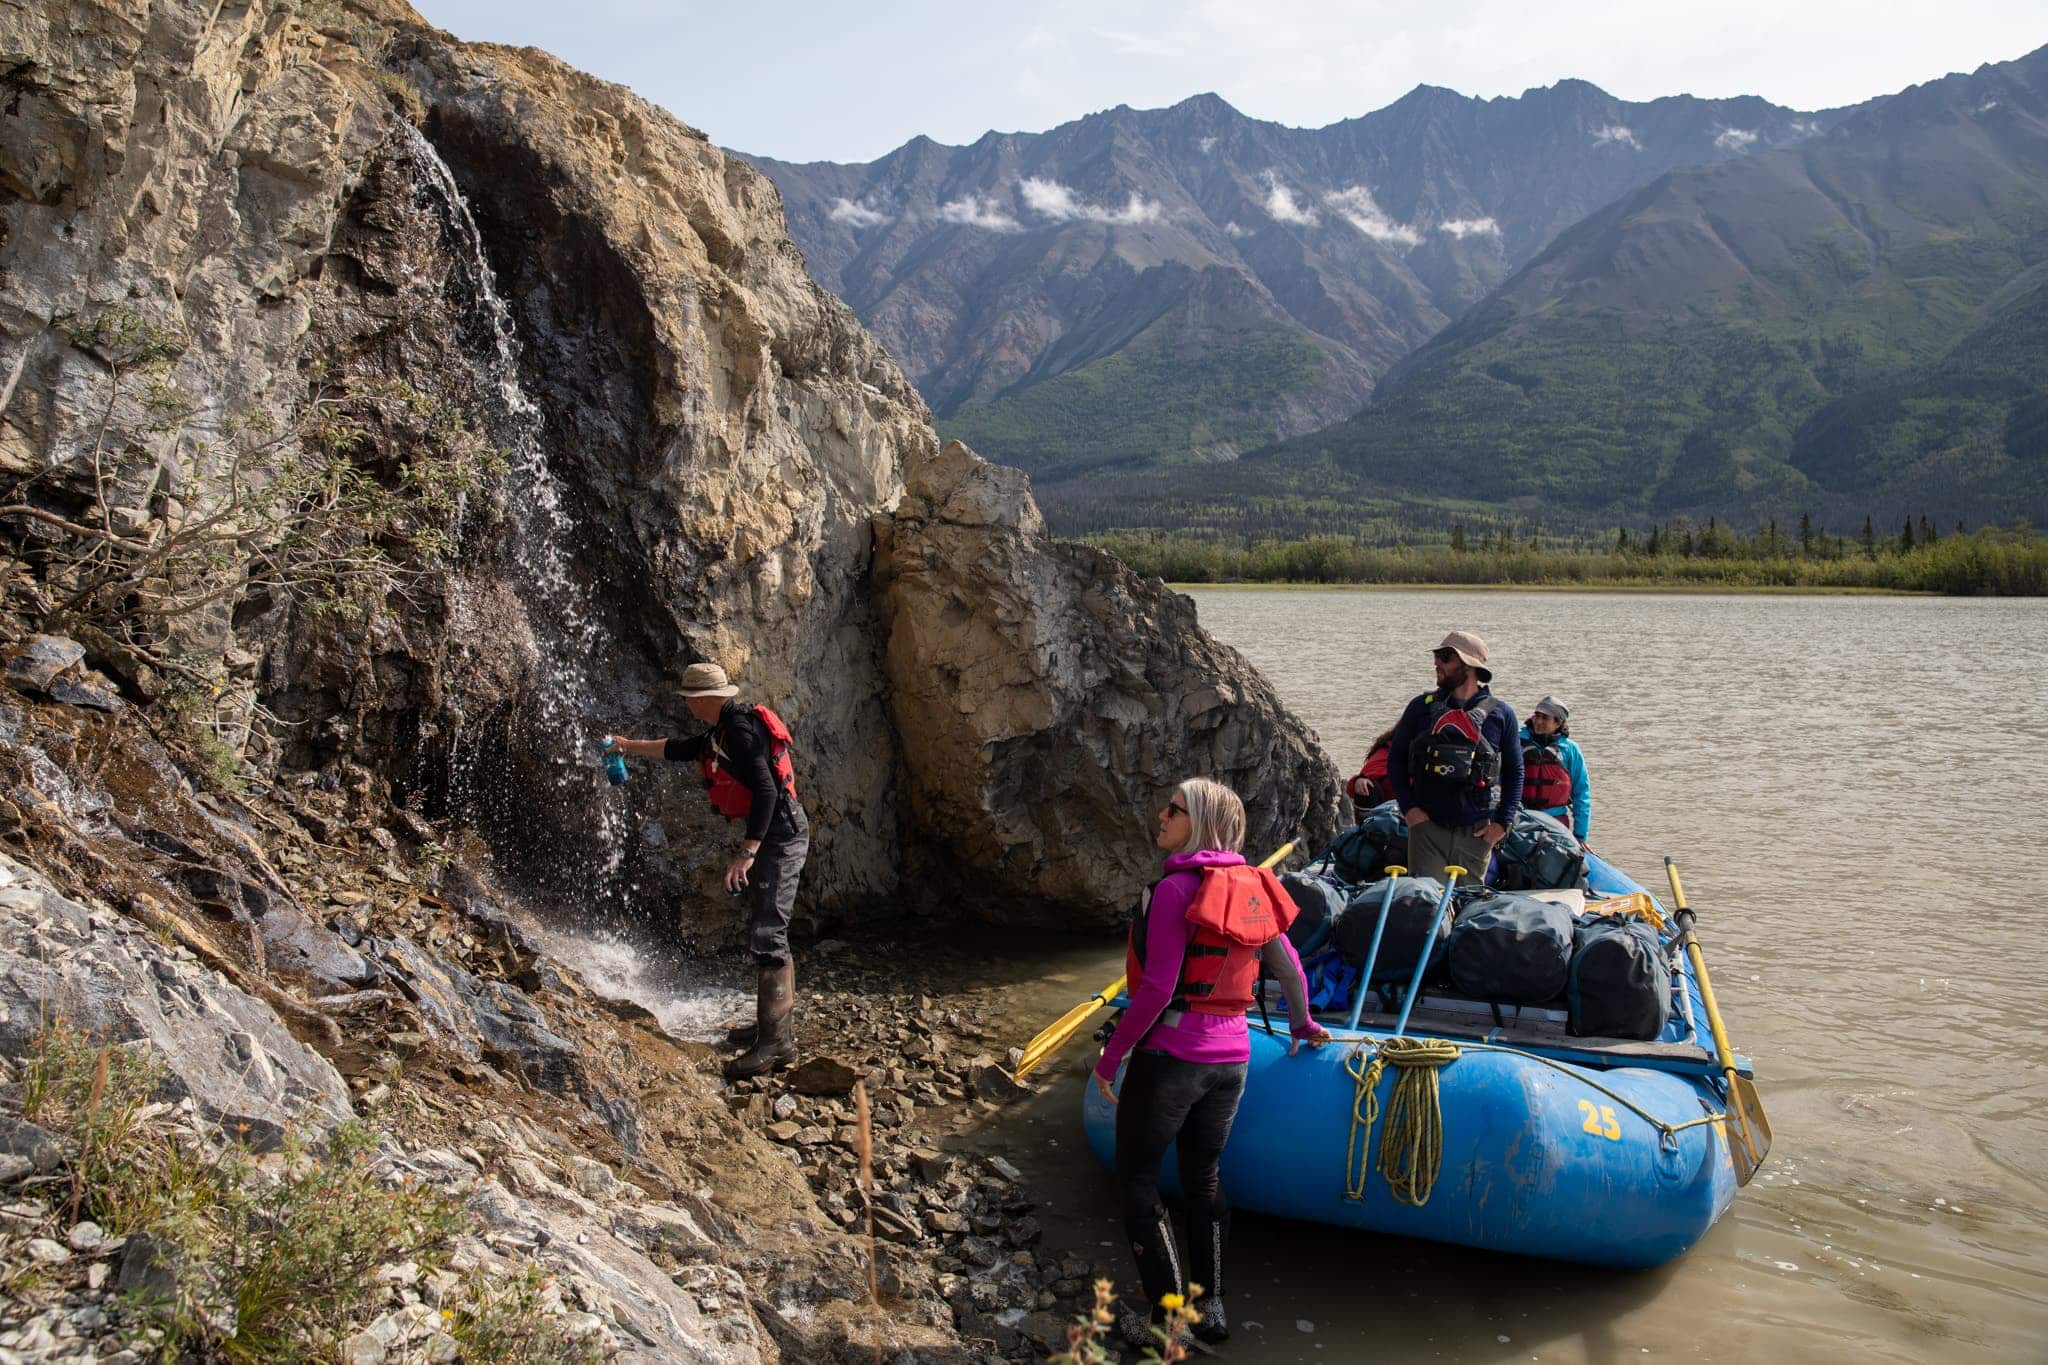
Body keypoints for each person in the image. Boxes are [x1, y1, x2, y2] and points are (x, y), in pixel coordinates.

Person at [1092, 778, 1330, 1348]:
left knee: (1138, 1181)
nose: (1161, 815)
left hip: (1174, 1056)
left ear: (1196, 822)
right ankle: (1212, 1309)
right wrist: (1302, 1025)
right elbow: (1291, 971)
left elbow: (1157, 989)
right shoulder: (1255, 885)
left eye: (1172, 809)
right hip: (1234, 1059)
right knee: (1203, 1177)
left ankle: (1171, 1319)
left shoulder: (1175, 890)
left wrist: (1110, 1058)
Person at [607, 662, 809, 1080]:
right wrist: (628, 746)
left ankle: (776, 1044)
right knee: (766, 925)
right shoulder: (722, 730)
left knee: (769, 930)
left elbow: (768, 789)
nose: (688, 707)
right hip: (774, 834)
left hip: (781, 835)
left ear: (707, 699)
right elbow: (678, 749)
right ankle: (772, 1028)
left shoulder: (739, 730)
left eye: (690, 700)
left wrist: (748, 851)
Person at [1383, 631, 1523, 886]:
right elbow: (1396, 760)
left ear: (1469, 666)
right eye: (1437, 655)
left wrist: (1502, 824)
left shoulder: (1502, 714)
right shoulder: (1420, 707)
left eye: (1446, 657)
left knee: (1467, 909)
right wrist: (1409, 810)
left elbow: (1515, 772)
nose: (1437, 662)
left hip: (1477, 834)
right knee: (1424, 907)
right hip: (1427, 829)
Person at [1520, 695, 1591, 843]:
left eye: (1545, 718)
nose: (1538, 722)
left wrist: (1580, 835)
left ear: (1558, 723)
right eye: (1537, 716)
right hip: (1520, 818)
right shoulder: (1516, 743)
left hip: (1556, 822)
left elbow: (1581, 794)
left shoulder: (1570, 750)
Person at [1345, 725, 1397, 808]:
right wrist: (1360, 780)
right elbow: (1353, 785)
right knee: (1365, 786)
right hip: (1387, 811)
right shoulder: (1385, 753)